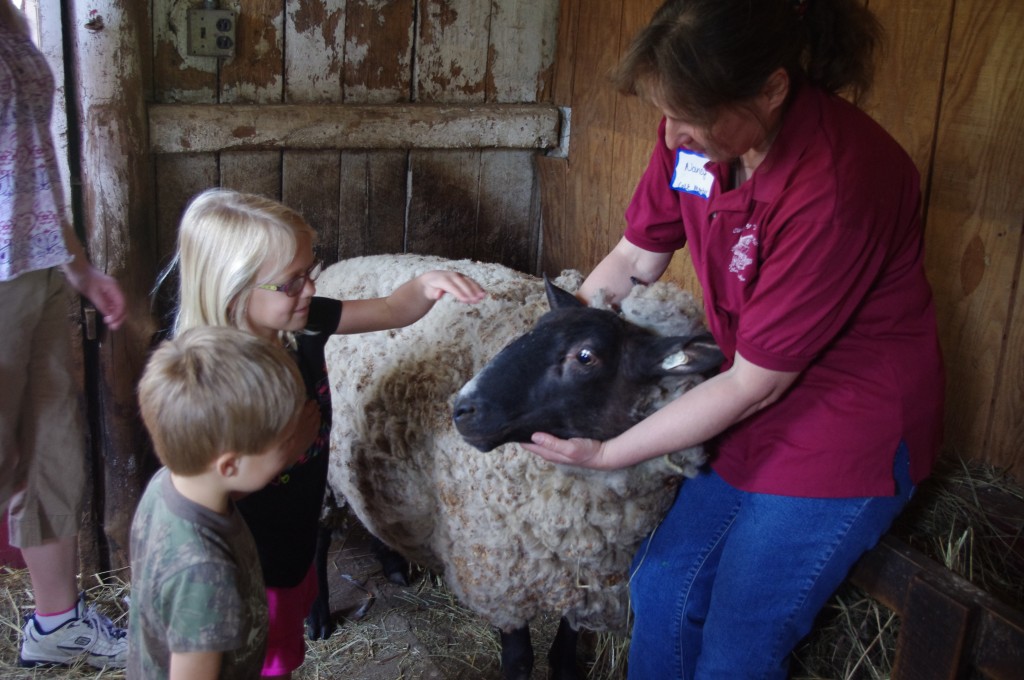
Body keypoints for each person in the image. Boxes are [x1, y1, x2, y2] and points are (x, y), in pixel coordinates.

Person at [523, 0, 945, 678]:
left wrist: (607, 453)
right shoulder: (693, 142)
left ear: (773, 88)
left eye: (691, 115)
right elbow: (636, 258)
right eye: (668, 111)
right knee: (659, 589)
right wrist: (551, 347)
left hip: (842, 427)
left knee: (737, 645)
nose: (673, 132)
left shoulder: (836, 184)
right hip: (745, 393)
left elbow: (755, 383)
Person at [169, 187, 486, 678]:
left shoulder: (302, 323)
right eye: (291, 282)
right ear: (233, 289)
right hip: (248, 561)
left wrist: (424, 285)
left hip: (295, 537)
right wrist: (285, 451)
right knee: (257, 658)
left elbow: (388, 310)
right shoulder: (211, 381)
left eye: (309, 273)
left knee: (284, 651)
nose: (310, 288)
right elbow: (204, 488)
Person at [1, 0, 130, 669]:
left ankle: (56, 625)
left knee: (52, 452)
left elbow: (34, 154)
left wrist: (77, 267)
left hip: (37, 267)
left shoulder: (12, 22)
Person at [129, 326, 308, 680]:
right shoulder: (205, 575)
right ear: (229, 465)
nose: (292, 446)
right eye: (283, 443)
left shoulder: (168, 483)